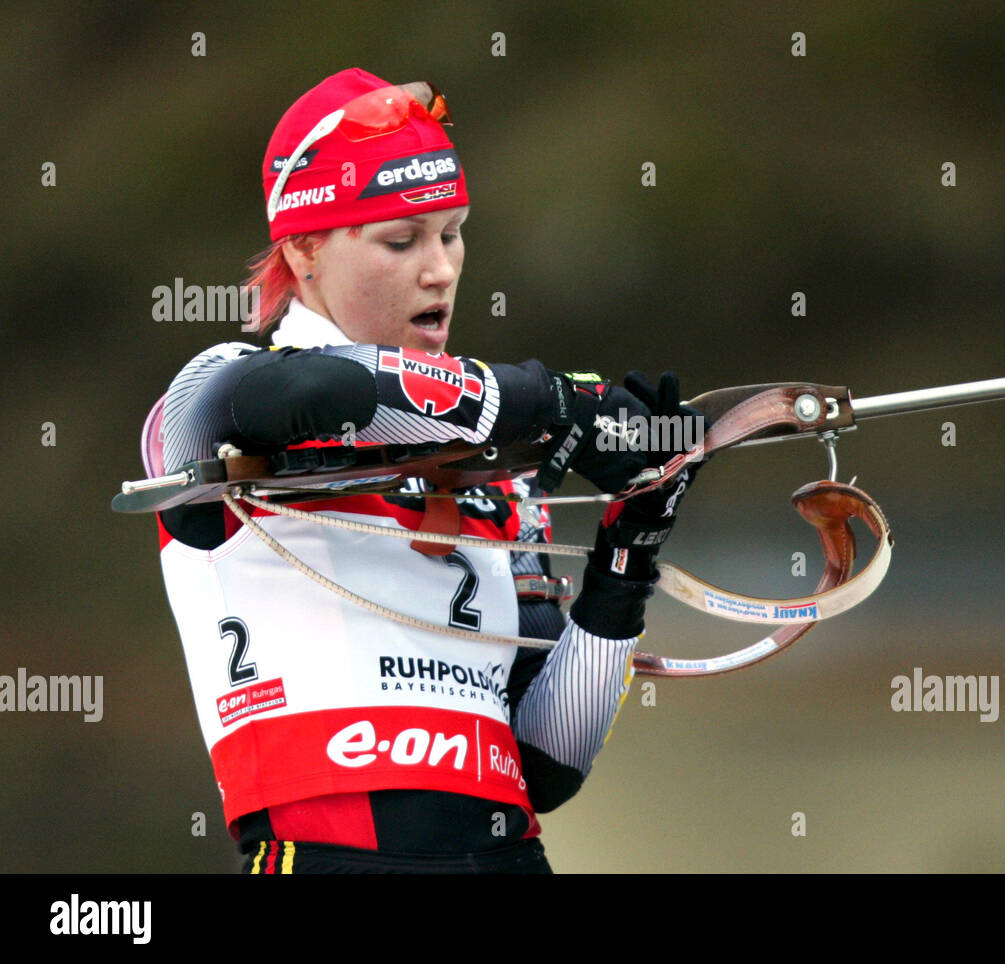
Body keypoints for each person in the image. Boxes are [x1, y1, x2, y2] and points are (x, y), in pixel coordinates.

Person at [151, 68, 702, 873]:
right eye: (401, 241)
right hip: (332, 857)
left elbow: (546, 765)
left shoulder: (494, 461)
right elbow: (322, 391)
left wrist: (631, 549)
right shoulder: (216, 391)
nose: (440, 269)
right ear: (303, 249)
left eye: (452, 233)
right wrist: (553, 401)